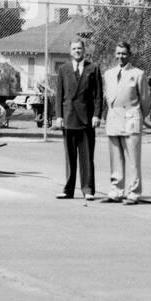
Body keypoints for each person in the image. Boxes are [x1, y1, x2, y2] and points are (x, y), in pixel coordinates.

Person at [54, 38, 102, 199]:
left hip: (87, 119)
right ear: (70, 51)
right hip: (68, 118)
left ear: (84, 50)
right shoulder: (63, 69)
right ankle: (68, 190)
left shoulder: (93, 68)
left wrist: (96, 115)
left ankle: (88, 190)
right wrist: (59, 116)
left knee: (87, 157)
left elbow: (98, 95)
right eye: (74, 49)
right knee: (70, 156)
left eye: (79, 48)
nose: (77, 51)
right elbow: (59, 94)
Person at [100, 41, 147, 205]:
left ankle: (133, 193)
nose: (121, 56)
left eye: (124, 53)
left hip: (131, 119)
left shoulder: (138, 74)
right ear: (115, 54)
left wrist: (136, 116)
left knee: (133, 159)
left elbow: (145, 102)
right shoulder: (108, 74)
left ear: (130, 55)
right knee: (115, 158)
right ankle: (116, 191)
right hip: (114, 119)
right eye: (118, 53)